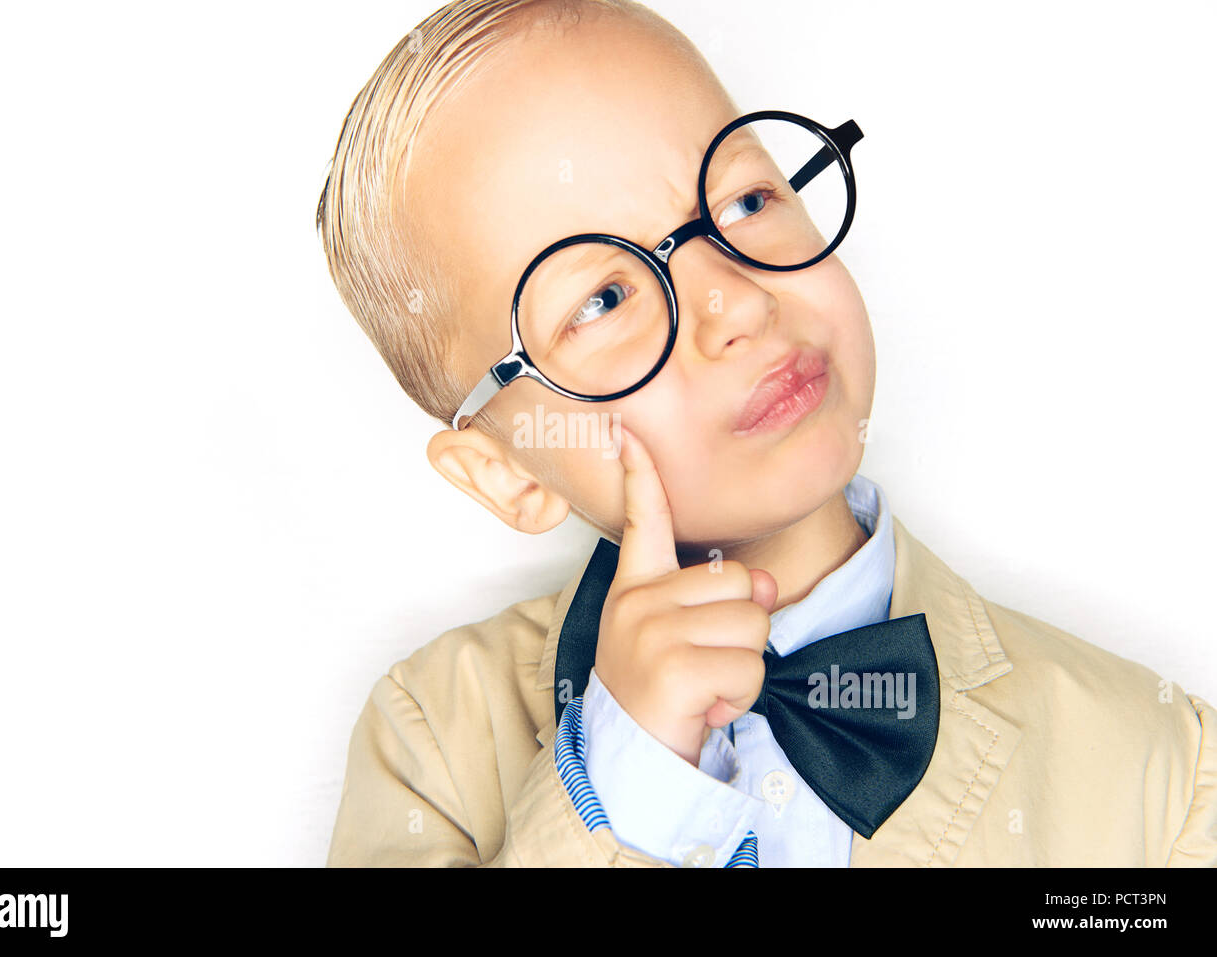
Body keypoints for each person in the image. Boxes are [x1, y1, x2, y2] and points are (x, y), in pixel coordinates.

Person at [315, 0, 1215, 866]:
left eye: (745, 201)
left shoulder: (1164, 774)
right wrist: (631, 790)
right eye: (604, 298)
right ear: (507, 471)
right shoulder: (429, 745)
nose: (738, 300)